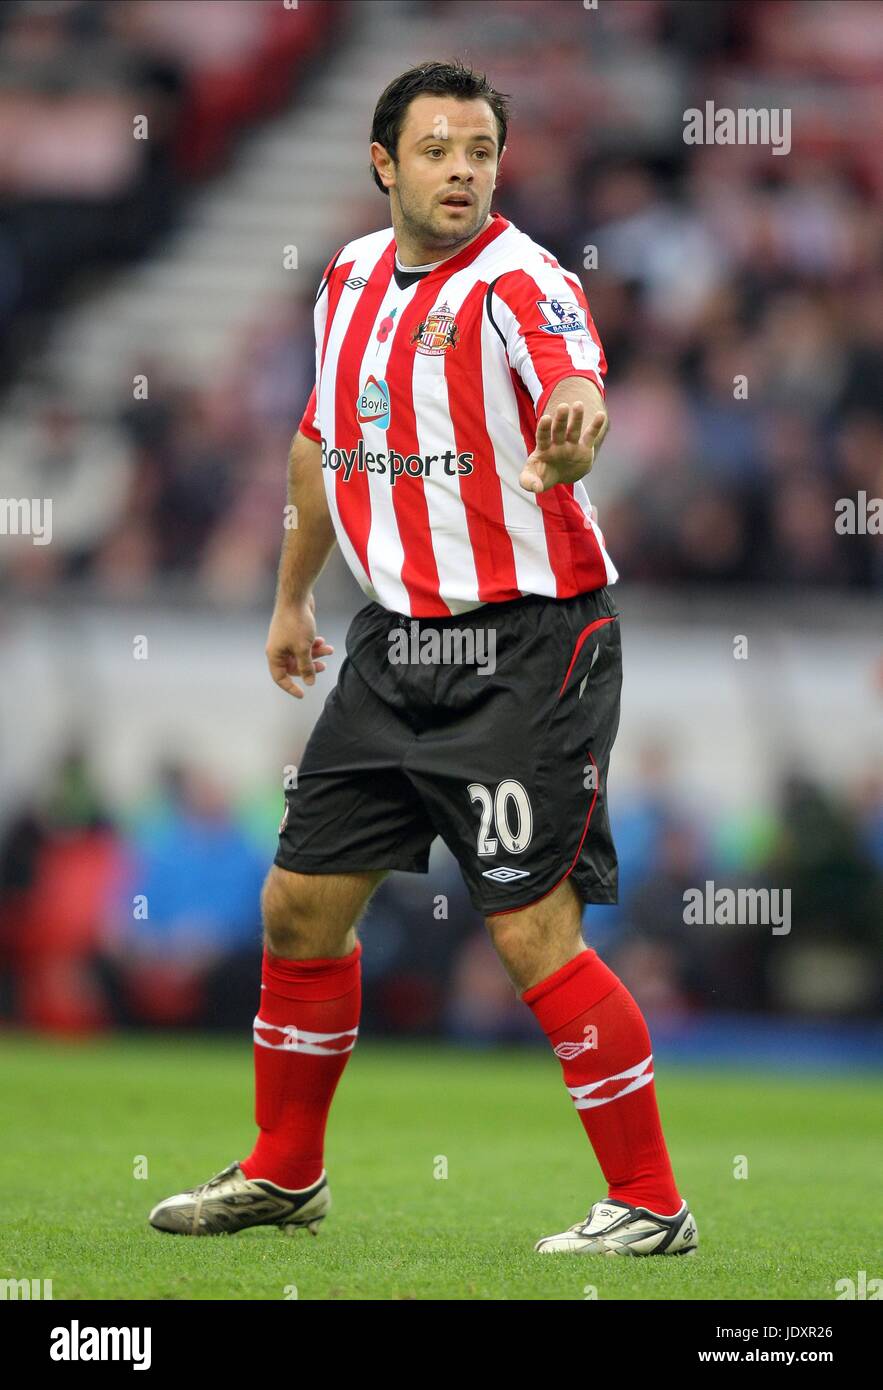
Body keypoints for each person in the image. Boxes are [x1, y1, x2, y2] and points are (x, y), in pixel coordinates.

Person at [149, 60, 697, 1257]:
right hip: (391, 646)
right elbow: (316, 445)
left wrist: (575, 421)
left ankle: (652, 1204)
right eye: (440, 149)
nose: (463, 170)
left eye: (482, 151)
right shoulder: (346, 277)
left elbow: (575, 380)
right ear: (384, 162)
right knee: (297, 905)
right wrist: (293, 599)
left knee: (527, 931)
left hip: (526, 642)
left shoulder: (523, 278)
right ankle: (286, 1174)